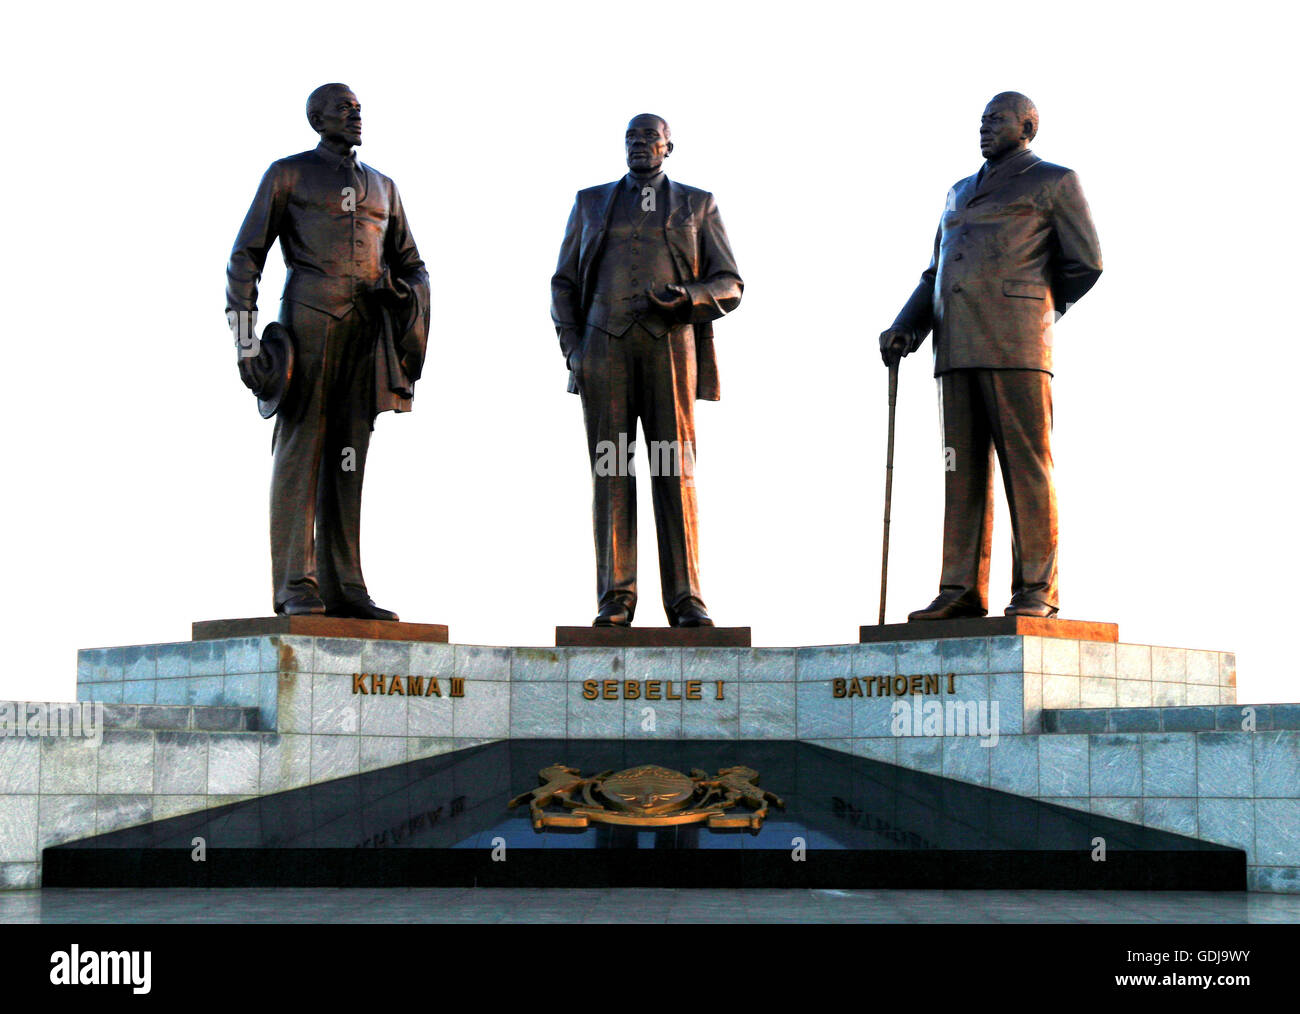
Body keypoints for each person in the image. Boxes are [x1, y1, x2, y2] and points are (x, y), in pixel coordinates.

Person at [879, 92, 1102, 620]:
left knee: (1026, 466)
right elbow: (935, 271)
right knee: (962, 469)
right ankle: (960, 588)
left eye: (996, 120)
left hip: (1016, 343)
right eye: (981, 121)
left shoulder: (1054, 180)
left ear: (1028, 126)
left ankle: (1035, 589)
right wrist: (906, 325)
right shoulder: (958, 192)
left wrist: (1032, 307)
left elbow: (1085, 262)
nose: (985, 128)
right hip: (954, 344)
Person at [226, 83, 429, 619]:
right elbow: (245, 257)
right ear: (316, 118)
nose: (355, 115)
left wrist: (402, 292)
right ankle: (296, 582)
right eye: (343, 108)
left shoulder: (384, 187)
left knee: (348, 458)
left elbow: (413, 265)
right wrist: (247, 342)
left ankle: (346, 587)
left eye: (359, 108)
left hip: (367, 333)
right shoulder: (288, 174)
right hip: (310, 325)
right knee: (301, 452)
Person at [551, 114, 743, 627]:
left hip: (670, 348)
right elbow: (564, 283)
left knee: (673, 468)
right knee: (610, 470)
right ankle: (616, 596)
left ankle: (686, 598)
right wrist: (575, 351)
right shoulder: (591, 202)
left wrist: (689, 296)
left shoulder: (697, 204)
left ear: (667, 147)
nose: (639, 145)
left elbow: (731, 283)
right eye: (631, 138)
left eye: (649, 138)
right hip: (603, 347)